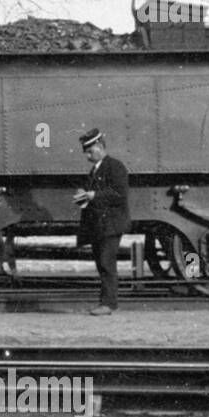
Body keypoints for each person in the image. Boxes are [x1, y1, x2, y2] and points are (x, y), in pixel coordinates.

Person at [74, 128, 130, 316]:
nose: (88, 156)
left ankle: (109, 304)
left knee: (106, 263)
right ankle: (106, 302)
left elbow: (119, 195)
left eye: (90, 151)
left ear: (99, 146)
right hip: (102, 225)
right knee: (103, 264)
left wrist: (94, 195)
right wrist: (84, 196)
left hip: (111, 224)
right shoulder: (97, 169)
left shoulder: (114, 166)